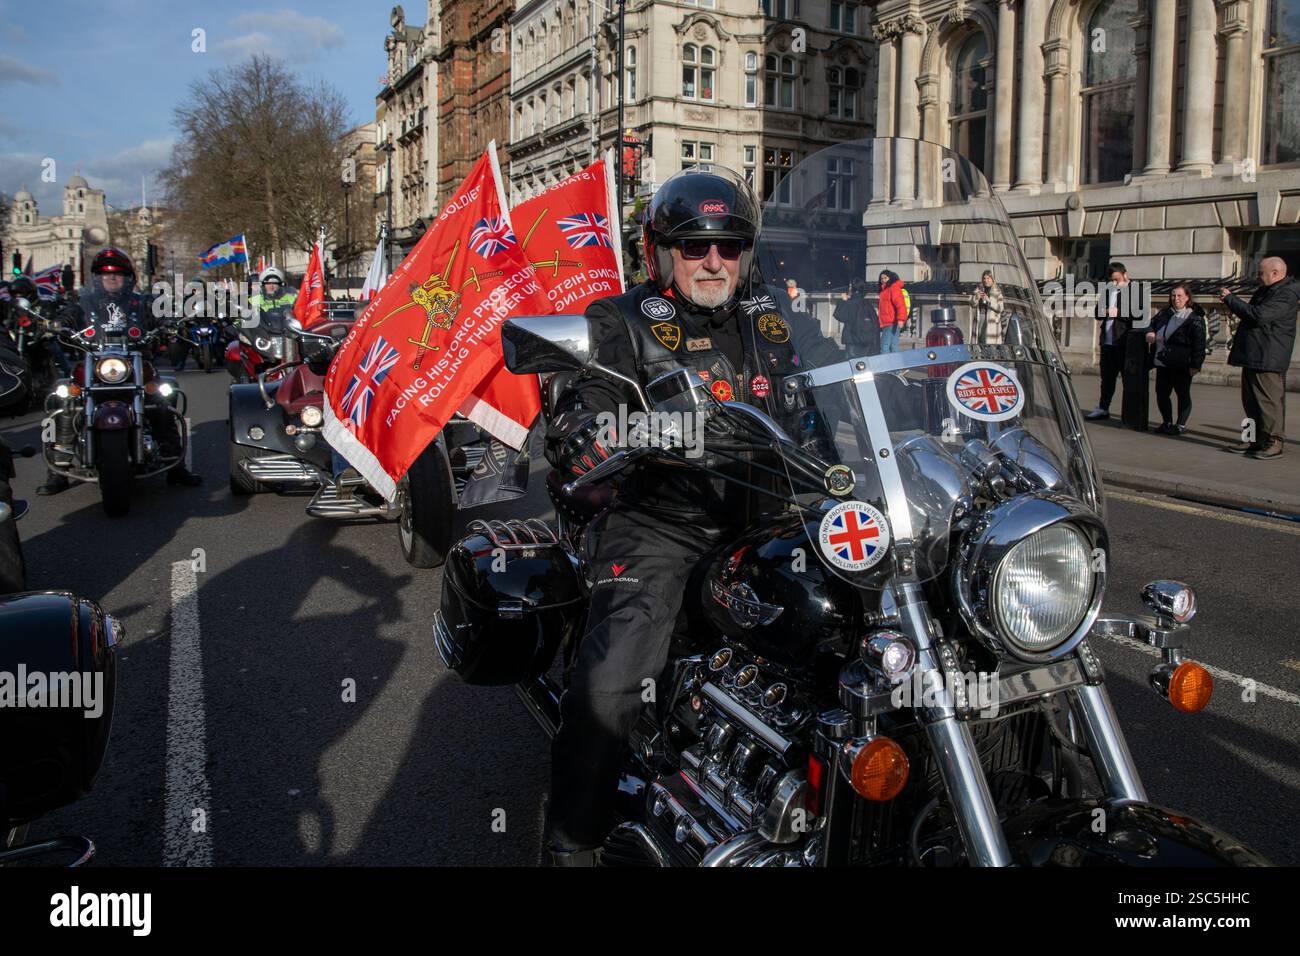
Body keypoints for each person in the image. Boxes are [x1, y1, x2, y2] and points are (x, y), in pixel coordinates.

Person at [542, 164, 843, 865]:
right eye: (695, 245)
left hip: (776, 516)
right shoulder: (618, 321)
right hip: (662, 523)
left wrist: (926, 387)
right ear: (661, 250)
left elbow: (840, 373)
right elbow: (585, 402)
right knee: (615, 675)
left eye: (729, 245)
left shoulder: (772, 319)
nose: (713, 260)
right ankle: (572, 843)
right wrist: (594, 428)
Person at [37, 247, 202, 494]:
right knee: (67, 399)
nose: (112, 278)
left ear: (128, 278)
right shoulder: (84, 303)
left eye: (117, 274)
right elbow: (69, 316)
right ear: (97, 278)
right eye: (106, 274)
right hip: (94, 362)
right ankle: (57, 469)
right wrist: (58, 323)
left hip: (135, 362)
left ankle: (174, 464)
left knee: (161, 399)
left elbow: (160, 315)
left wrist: (170, 323)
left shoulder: (141, 302)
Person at [1220, 256, 1299, 459]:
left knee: (1268, 401)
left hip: (1268, 356)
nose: (1257, 276)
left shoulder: (1286, 294)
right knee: (1250, 401)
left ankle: (1274, 441)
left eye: (1260, 272)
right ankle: (1253, 439)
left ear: (1275, 273)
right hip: (1254, 354)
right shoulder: (1267, 290)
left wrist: (1231, 300)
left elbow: (1259, 315)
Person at [1086, 261, 1148, 428]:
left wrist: (1119, 312)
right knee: (1107, 378)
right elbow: (1097, 313)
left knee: (1128, 380)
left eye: (1117, 279)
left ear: (1125, 275)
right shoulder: (1108, 290)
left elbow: (1140, 313)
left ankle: (1128, 414)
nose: (1115, 283)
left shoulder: (1136, 289)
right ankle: (1103, 407)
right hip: (1108, 341)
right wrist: (1105, 311)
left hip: (1125, 342)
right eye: (1112, 280)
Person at [1145, 284, 1207, 434]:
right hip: (1162, 361)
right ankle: (1167, 422)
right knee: (1161, 393)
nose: (1176, 298)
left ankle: (1180, 425)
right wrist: (1150, 332)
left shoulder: (1194, 318)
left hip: (1182, 363)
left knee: (1182, 393)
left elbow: (1199, 344)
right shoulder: (1163, 313)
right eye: (1173, 295)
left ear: (1187, 297)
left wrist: (1195, 364)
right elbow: (1150, 325)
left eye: (1179, 295)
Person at [833, 281, 876, 355]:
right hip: (865, 338)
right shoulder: (867, 303)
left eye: (850, 286)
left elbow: (840, 316)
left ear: (854, 288)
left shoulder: (850, 303)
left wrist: (843, 301)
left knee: (851, 362)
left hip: (852, 338)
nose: (848, 289)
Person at [969, 269, 1005, 344]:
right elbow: (972, 304)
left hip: (991, 321)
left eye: (988, 278)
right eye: (984, 278)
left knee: (990, 344)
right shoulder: (978, 290)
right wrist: (976, 298)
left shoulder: (997, 291)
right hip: (980, 318)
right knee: (979, 341)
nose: (986, 280)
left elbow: (1001, 308)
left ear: (992, 279)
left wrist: (989, 301)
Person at [877, 269, 907, 353]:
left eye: (885, 278)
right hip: (890, 321)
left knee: (884, 346)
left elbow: (900, 304)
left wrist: (901, 319)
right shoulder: (886, 290)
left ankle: (886, 365)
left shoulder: (893, 288)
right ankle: (896, 365)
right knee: (893, 345)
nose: (883, 280)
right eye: (881, 278)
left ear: (890, 278)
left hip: (890, 321)